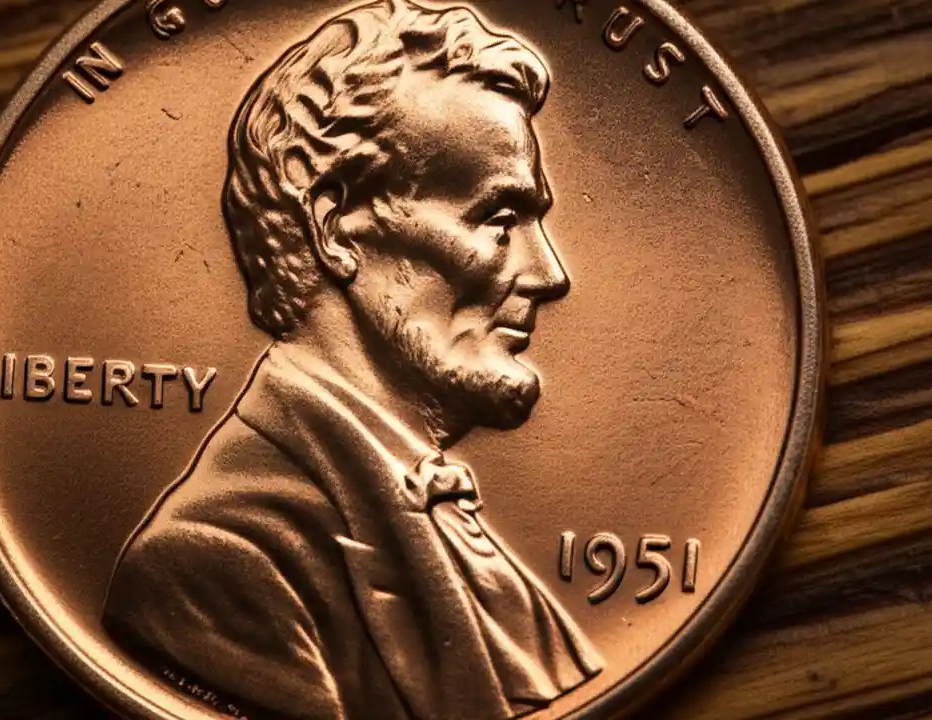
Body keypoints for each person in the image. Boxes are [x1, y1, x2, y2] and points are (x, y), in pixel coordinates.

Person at [103, 2, 602, 717]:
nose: (548, 273)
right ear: (334, 228)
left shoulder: (431, 513)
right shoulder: (216, 560)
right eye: (499, 221)